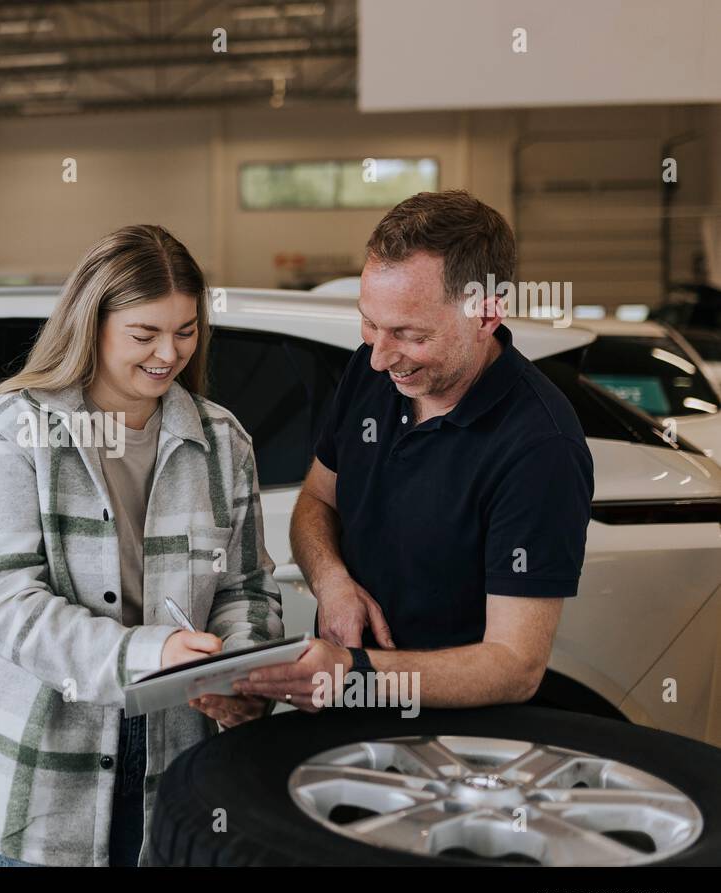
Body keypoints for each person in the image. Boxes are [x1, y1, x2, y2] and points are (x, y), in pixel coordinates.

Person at [0, 224, 283, 866]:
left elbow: (245, 588)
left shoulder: (222, 440)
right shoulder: (10, 432)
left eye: (185, 331)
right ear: (90, 323)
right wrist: (154, 656)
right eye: (144, 334)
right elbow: (9, 606)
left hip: (174, 767)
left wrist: (240, 667)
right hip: (35, 786)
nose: (169, 354)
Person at [234, 190, 594, 711]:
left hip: (451, 747)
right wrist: (332, 581)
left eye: (409, 334)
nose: (380, 357)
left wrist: (355, 676)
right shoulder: (368, 372)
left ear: (487, 315)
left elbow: (515, 667)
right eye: (370, 324)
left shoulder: (540, 447)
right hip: (340, 724)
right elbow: (317, 501)